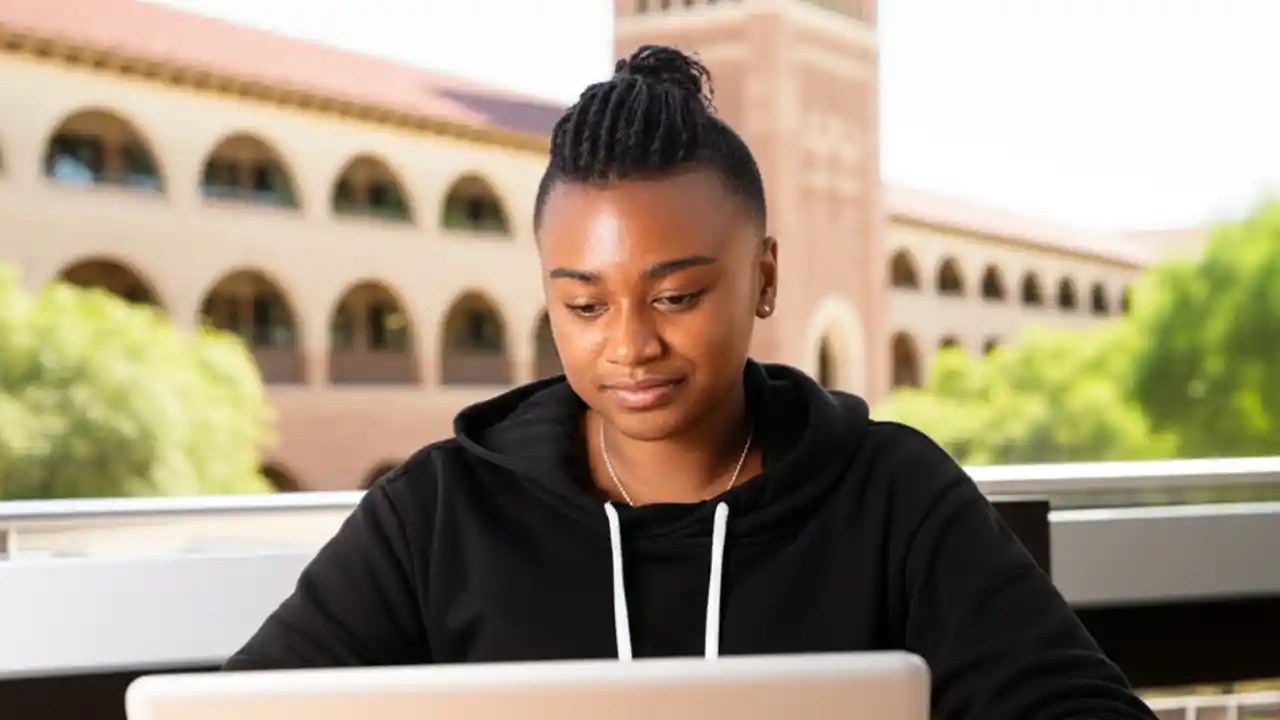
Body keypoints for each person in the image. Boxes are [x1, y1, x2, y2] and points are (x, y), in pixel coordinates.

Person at [225, 45, 1155, 719]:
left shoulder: (891, 493)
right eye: (584, 307)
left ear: (764, 279)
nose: (629, 346)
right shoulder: (436, 512)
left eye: (675, 295)